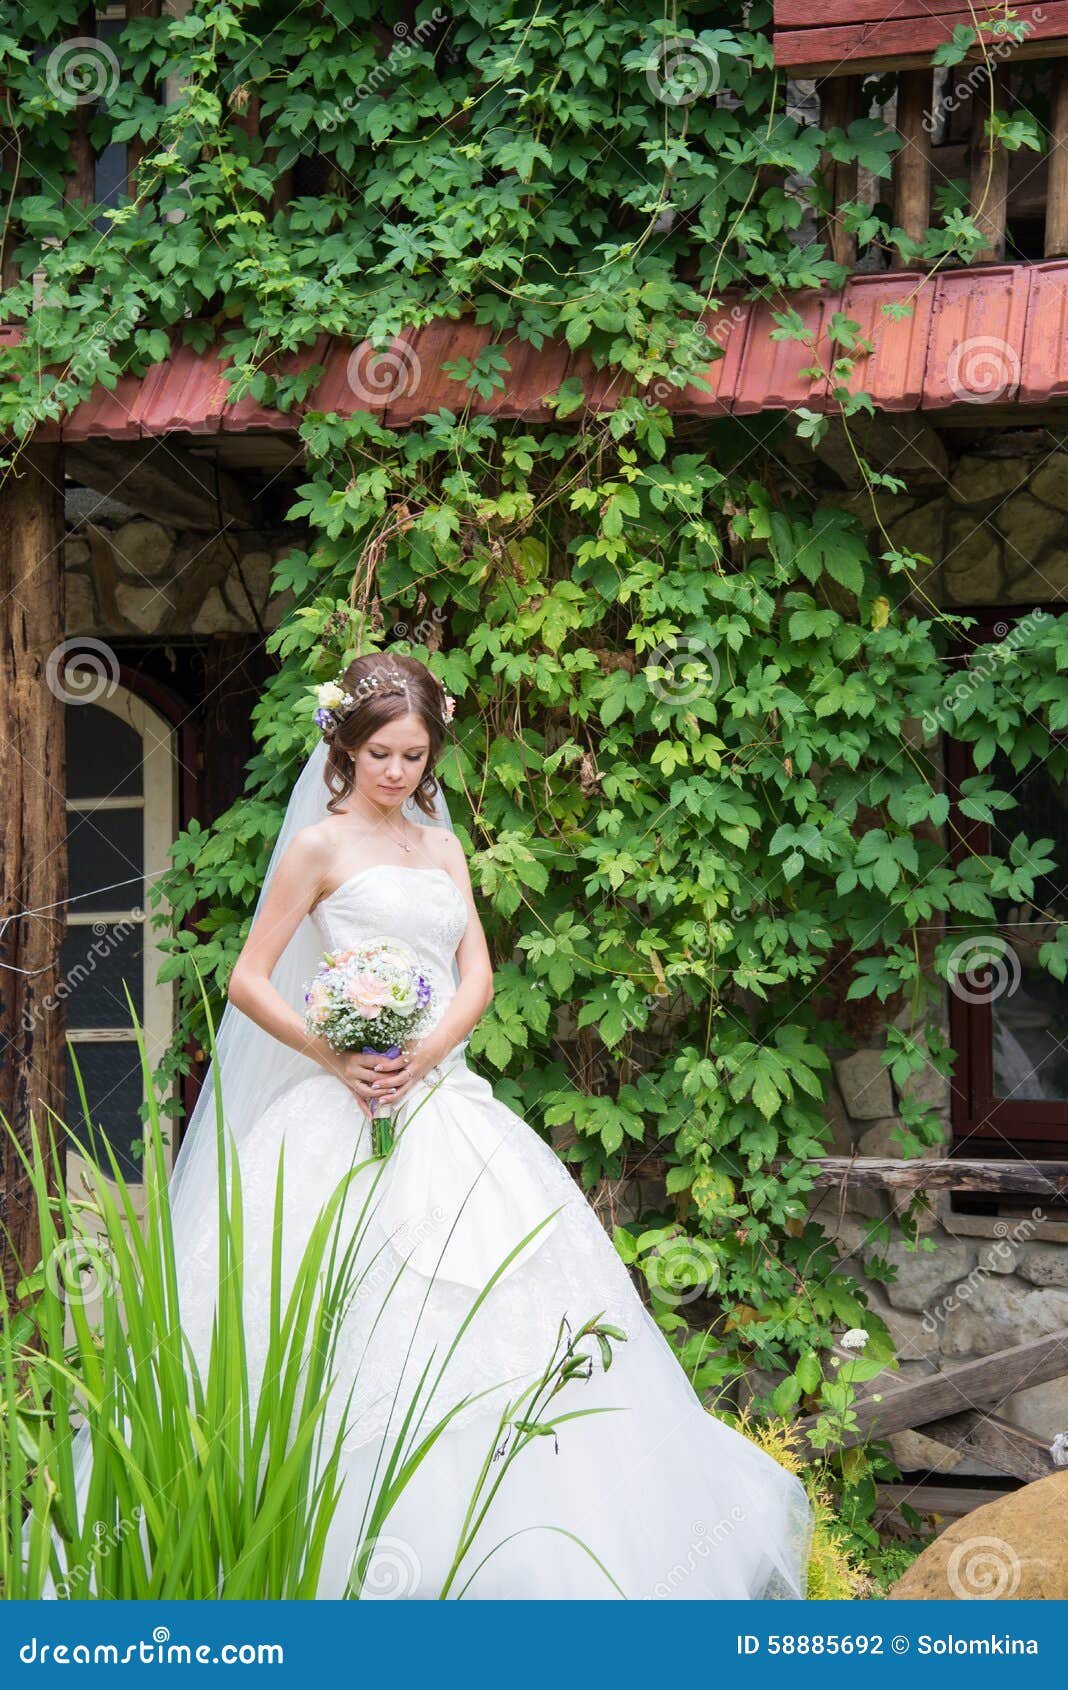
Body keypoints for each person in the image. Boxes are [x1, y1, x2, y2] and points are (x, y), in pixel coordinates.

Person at [40, 650, 812, 1600]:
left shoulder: (443, 850)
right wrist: (338, 1054)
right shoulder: (318, 847)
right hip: (339, 1109)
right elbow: (247, 979)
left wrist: (427, 1053)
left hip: (446, 1104)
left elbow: (476, 974)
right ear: (345, 750)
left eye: (414, 756)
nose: (397, 773)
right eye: (380, 755)